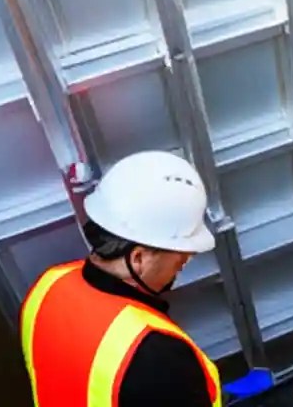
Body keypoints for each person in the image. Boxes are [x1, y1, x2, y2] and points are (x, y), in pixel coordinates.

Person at [20, 151, 221, 406]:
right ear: (138, 258)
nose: (188, 258)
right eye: (181, 255)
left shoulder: (48, 286)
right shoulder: (155, 356)